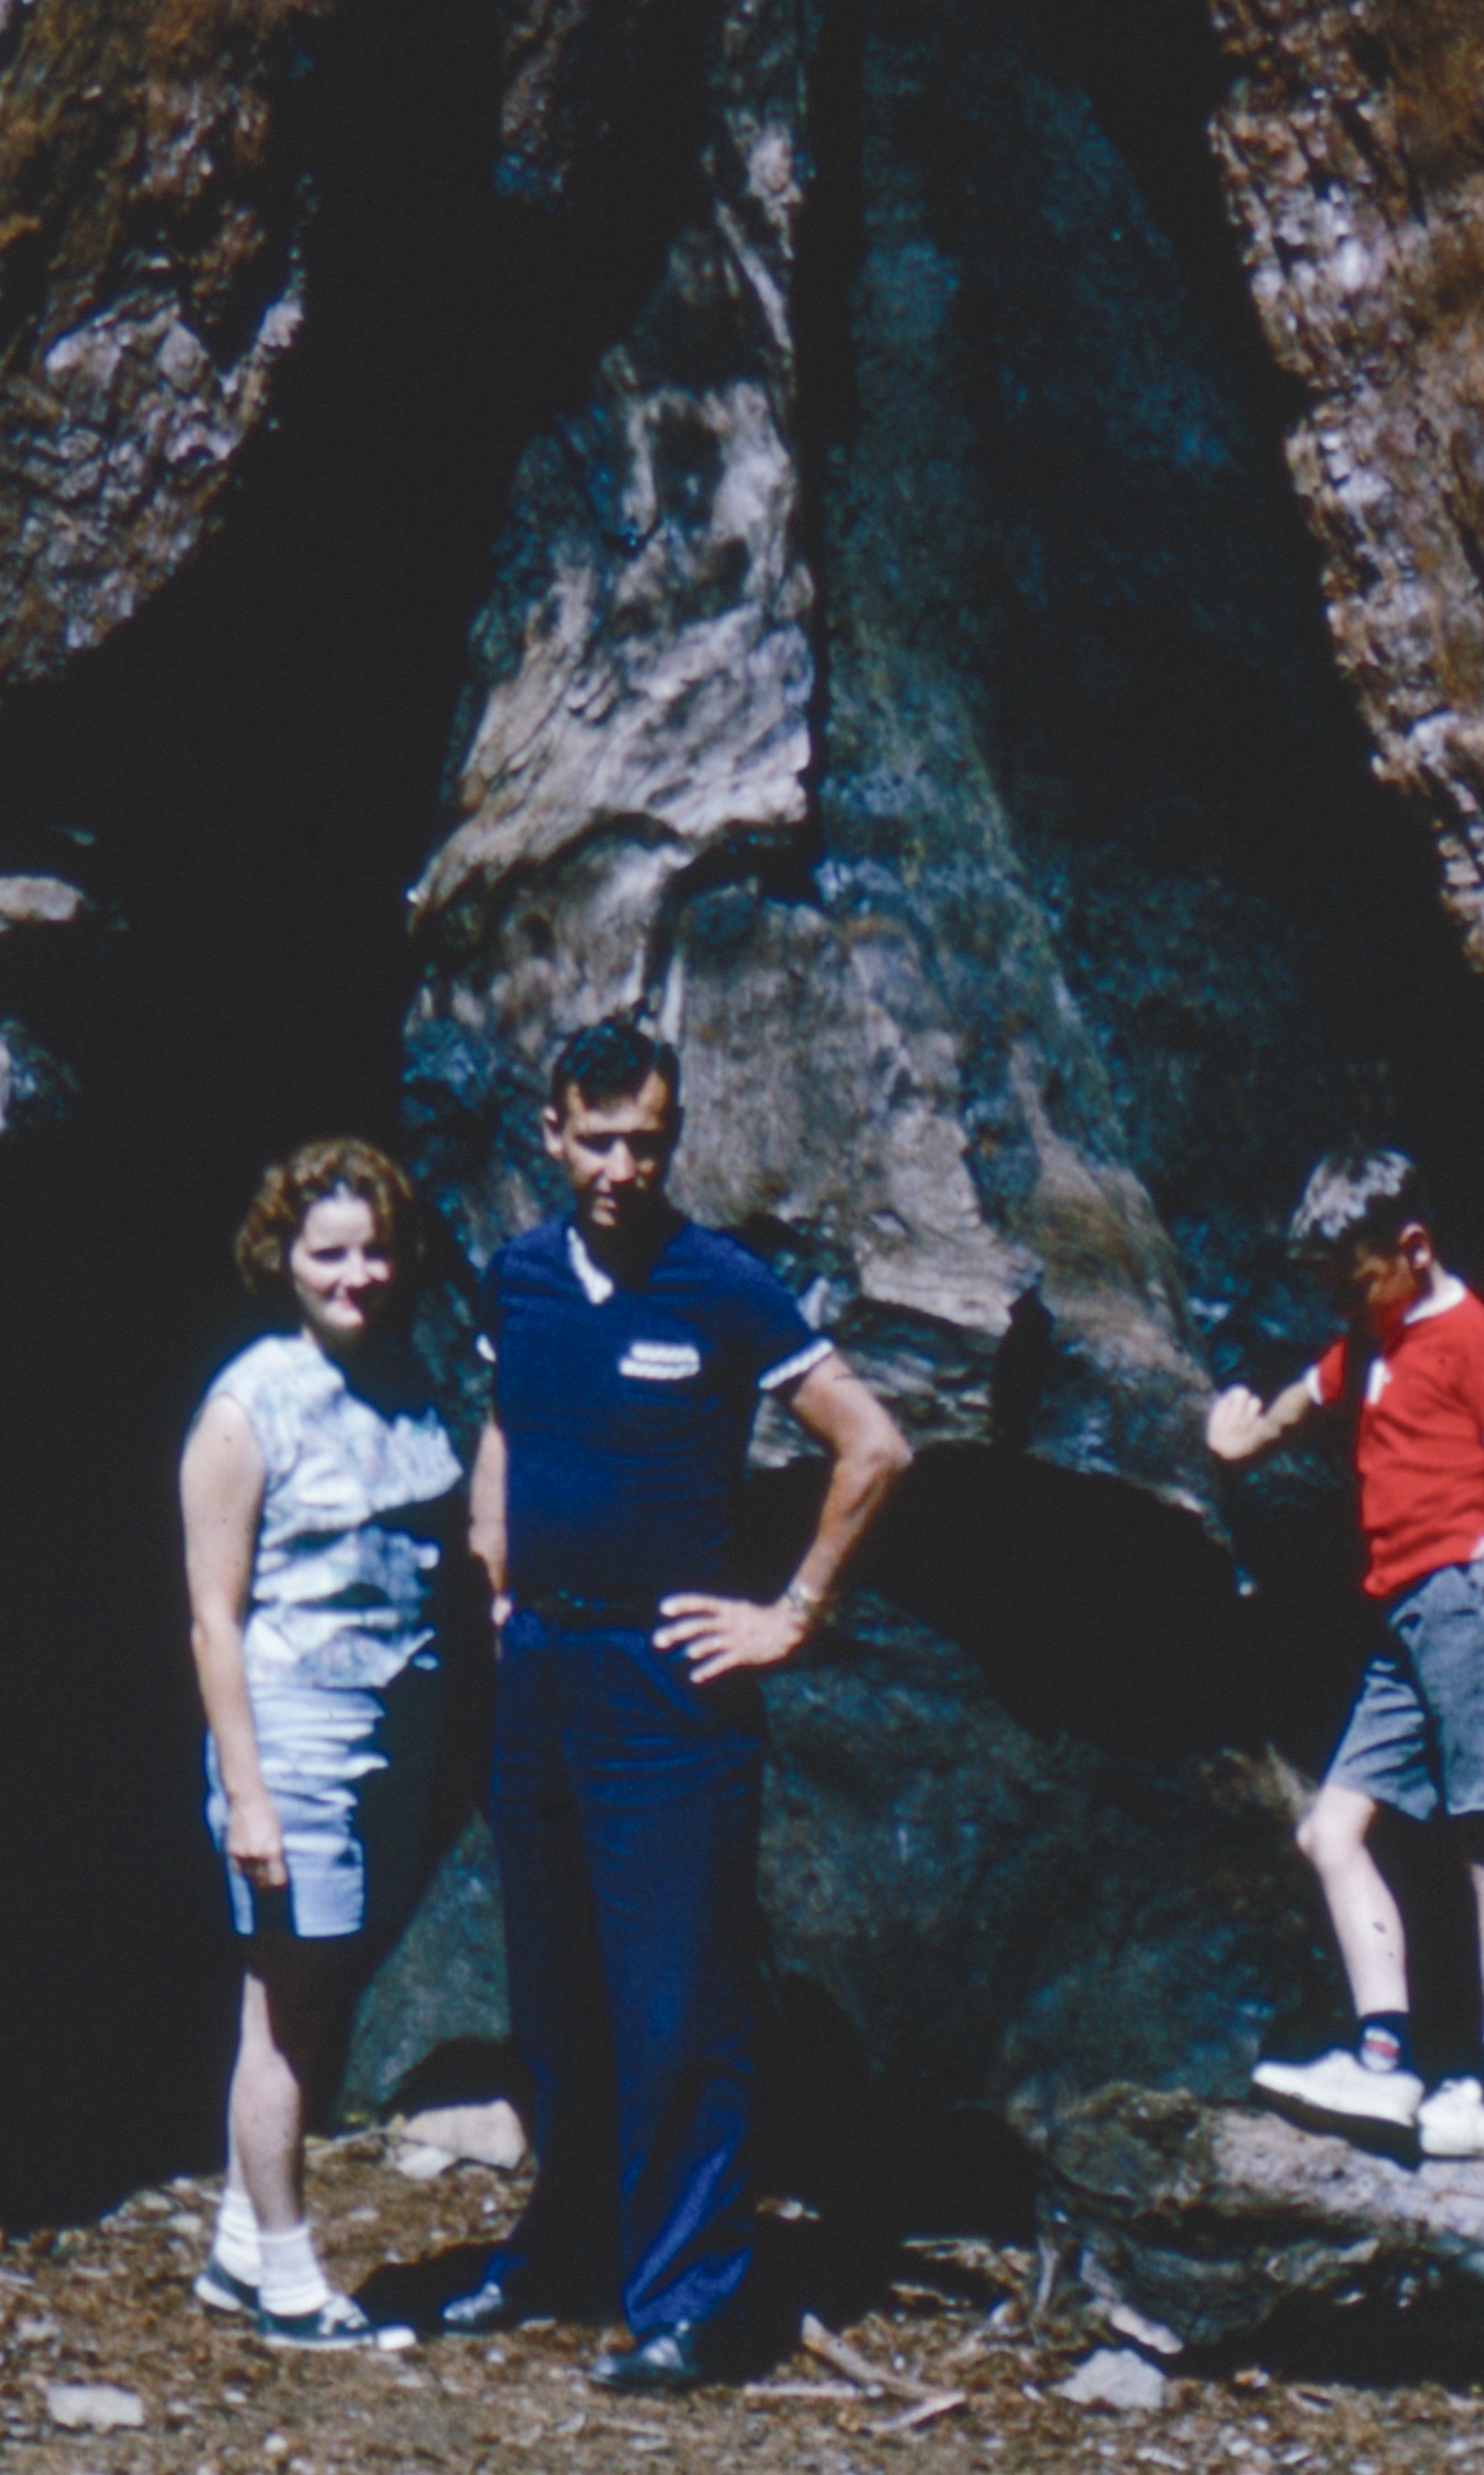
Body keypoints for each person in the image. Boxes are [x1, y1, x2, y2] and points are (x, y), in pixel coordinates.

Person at [394, 1017, 906, 2389]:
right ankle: (568, 2248)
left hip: (666, 1685)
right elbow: (506, 1425)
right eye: (599, 1139)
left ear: (673, 1141)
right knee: (557, 1995)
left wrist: (790, 1614)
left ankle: (692, 2299)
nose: (622, 1166)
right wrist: (497, 1571)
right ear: (552, 1136)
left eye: (648, 1141)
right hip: (541, 1677)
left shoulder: (721, 1283)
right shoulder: (517, 1275)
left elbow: (875, 1443)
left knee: (676, 2002)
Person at [1205, 1143, 1484, 2159]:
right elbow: (1306, 1399)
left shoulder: (1474, 1339)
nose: (1349, 1300)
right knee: (1330, 1831)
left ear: (1413, 1248)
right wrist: (1245, 1438)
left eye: (1360, 1276)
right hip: (1408, 1608)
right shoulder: (1371, 1343)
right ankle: (1382, 2066)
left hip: (1474, 1589)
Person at [179, 1133, 466, 2349]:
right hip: (292, 1734)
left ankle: (239, 2252)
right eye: (329, 1252)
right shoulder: (250, 1403)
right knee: (285, 2010)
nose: (358, 1274)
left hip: (394, 1727)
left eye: (376, 1250)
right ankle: (292, 2284)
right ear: (283, 1258)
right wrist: (246, 1793)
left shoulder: (407, 1377)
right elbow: (212, 1615)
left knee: (310, 1993)